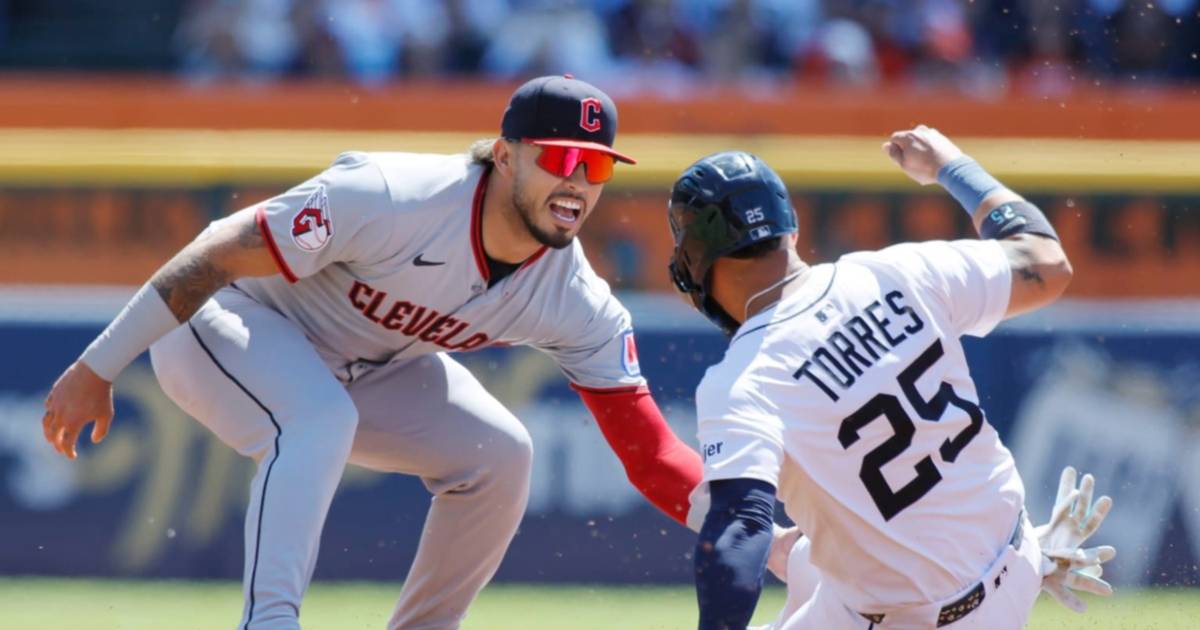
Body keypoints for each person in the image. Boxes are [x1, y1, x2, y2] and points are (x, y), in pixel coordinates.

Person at [41, 74, 705, 629]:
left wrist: (765, 535)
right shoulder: (395, 196)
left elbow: (649, 453)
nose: (579, 184)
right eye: (560, 159)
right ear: (504, 155)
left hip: (363, 369)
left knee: (501, 456)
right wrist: (97, 366)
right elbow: (217, 251)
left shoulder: (575, 296)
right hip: (228, 322)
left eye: (594, 167)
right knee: (319, 418)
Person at [667, 127, 1116, 629]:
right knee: (807, 559)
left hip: (910, 619)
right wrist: (953, 166)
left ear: (693, 264)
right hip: (1017, 557)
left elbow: (741, 529)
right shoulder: (901, 269)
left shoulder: (742, 381)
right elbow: (1047, 263)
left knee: (808, 560)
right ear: (790, 227)